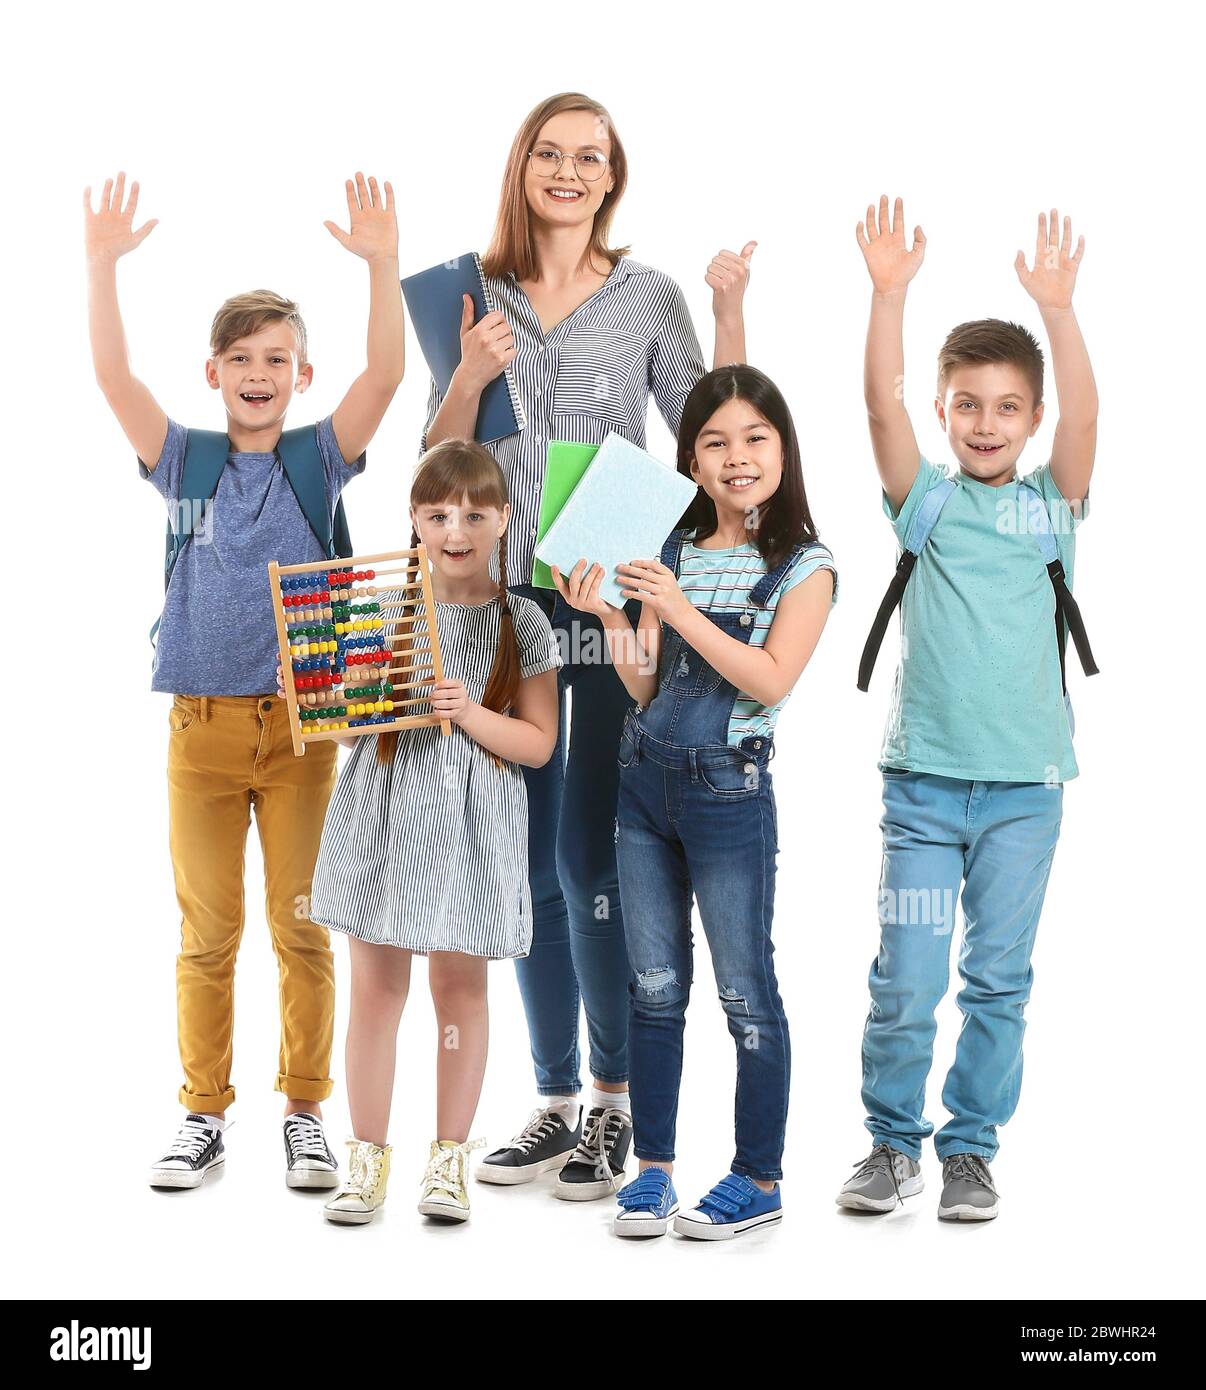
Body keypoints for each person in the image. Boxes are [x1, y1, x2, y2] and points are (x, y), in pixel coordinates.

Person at [424, 91, 756, 1198]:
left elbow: (718, 426)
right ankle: (554, 1097)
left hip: (610, 604)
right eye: (550, 155)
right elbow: (440, 467)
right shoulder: (475, 292)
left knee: (593, 856)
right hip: (505, 608)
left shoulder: (649, 295)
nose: (569, 172)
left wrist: (728, 305)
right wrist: (471, 371)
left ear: (614, 176)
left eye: (591, 158)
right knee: (523, 869)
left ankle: (614, 1104)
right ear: (524, 169)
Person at [85, 171, 405, 1191]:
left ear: (303, 376)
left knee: (302, 927)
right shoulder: (182, 460)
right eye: (241, 359)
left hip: (305, 730)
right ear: (215, 372)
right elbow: (114, 378)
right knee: (208, 932)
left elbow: (389, 375)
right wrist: (101, 266)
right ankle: (201, 1114)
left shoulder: (321, 459)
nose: (258, 372)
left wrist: (382, 265)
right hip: (203, 733)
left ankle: (304, 1111)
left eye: (277, 358)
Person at [837, 198, 1097, 1221]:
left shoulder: (1051, 507)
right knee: (906, 972)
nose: (985, 422)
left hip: (1027, 794)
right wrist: (888, 294)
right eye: (966, 404)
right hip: (925, 791)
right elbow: (876, 409)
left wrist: (1060, 314)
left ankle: (970, 1149)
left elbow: (1088, 419)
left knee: (998, 978)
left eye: (1006, 406)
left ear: (1030, 418)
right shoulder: (925, 502)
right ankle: (890, 1144)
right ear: (945, 413)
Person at [554, 365, 837, 1238]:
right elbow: (644, 688)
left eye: (755, 438)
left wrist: (674, 607)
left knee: (746, 993)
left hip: (727, 795)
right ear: (691, 459)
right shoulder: (668, 548)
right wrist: (609, 619)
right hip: (643, 787)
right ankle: (653, 1171)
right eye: (714, 442)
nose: (736, 457)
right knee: (654, 987)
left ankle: (758, 1178)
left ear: (784, 451)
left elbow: (772, 677)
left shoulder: (805, 566)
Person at [312, 440, 560, 1225]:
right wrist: (336, 700)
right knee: (378, 994)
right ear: (415, 520)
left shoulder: (523, 618)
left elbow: (538, 743)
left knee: (459, 991)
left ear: (503, 520)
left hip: (472, 826)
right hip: (386, 815)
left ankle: (448, 1160)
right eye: (438, 514)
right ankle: (366, 1159)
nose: (457, 529)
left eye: (475, 514)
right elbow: (347, 732)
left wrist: (470, 713)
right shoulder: (384, 608)